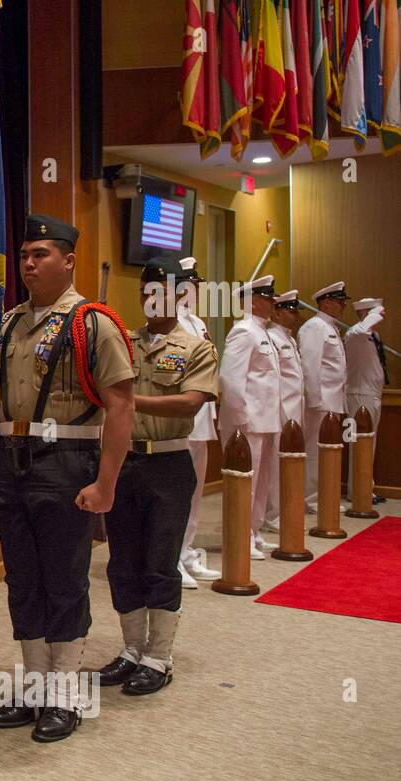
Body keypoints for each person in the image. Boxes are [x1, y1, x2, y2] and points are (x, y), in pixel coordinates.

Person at [0, 214, 134, 742]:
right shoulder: (8, 324)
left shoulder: (93, 322)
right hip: (14, 461)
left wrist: (107, 483)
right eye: (24, 254)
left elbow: (121, 408)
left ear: (68, 260)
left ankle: (66, 695)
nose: (28, 263)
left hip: (67, 461)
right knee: (23, 579)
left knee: (65, 579)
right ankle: (35, 688)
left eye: (41, 254)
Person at [98, 256, 218, 695]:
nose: (154, 300)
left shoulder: (197, 347)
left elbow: (191, 401)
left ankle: (159, 657)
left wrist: (129, 403)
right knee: (123, 562)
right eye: (147, 292)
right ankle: (132, 650)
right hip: (123, 462)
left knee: (160, 563)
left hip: (168, 463)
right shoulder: (123, 343)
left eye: (163, 292)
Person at [217, 276, 281, 559]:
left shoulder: (262, 331)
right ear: (253, 301)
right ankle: (239, 536)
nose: (274, 302)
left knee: (262, 481)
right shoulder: (244, 331)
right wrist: (241, 422)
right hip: (247, 422)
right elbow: (231, 379)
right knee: (246, 484)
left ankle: (253, 532)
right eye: (269, 298)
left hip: (265, 419)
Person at [174, 257, 220, 585]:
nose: (195, 291)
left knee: (195, 490)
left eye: (197, 286)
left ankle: (188, 551)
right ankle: (172, 557)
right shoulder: (168, 321)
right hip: (182, 419)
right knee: (178, 490)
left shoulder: (198, 323)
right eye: (190, 285)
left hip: (202, 418)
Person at [260, 290, 306, 535]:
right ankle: (272, 514)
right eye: (291, 310)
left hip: (294, 411)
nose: (295, 315)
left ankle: (282, 510)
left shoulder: (289, 339)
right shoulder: (272, 338)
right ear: (277, 312)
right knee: (275, 466)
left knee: (288, 464)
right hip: (280, 412)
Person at [300, 282, 349, 511]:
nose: (343, 306)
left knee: (328, 451)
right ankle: (311, 499)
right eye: (340, 301)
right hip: (320, 401)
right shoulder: (315, 327)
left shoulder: (330, 327)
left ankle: (325, 495)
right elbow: (310, 366)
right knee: (314, 451)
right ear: (326, 303)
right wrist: (314, 400)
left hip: (333, 400)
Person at [344, 297, 388, 504]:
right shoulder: (355, 334)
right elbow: (359, 330)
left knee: (369, 445)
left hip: (372, 395)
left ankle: (365, 488)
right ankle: (357, 491)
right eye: (376, 311)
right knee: (357, 444)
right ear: (366, 313)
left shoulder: (373, 336)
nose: (382, 314)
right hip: (358, 396)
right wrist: (373, 313)